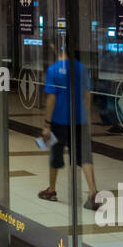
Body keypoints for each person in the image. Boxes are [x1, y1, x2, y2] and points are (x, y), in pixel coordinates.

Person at [38, 42, 99, 209]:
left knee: (55, 154)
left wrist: (47, 124)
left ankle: (51, 190)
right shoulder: (81, 68)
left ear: (54, 48)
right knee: (84, 156)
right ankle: (93, 192)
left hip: (58, 120)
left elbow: (51, 99)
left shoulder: (53, 70)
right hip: (79, 120)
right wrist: (85, 116)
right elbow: (88, 95)